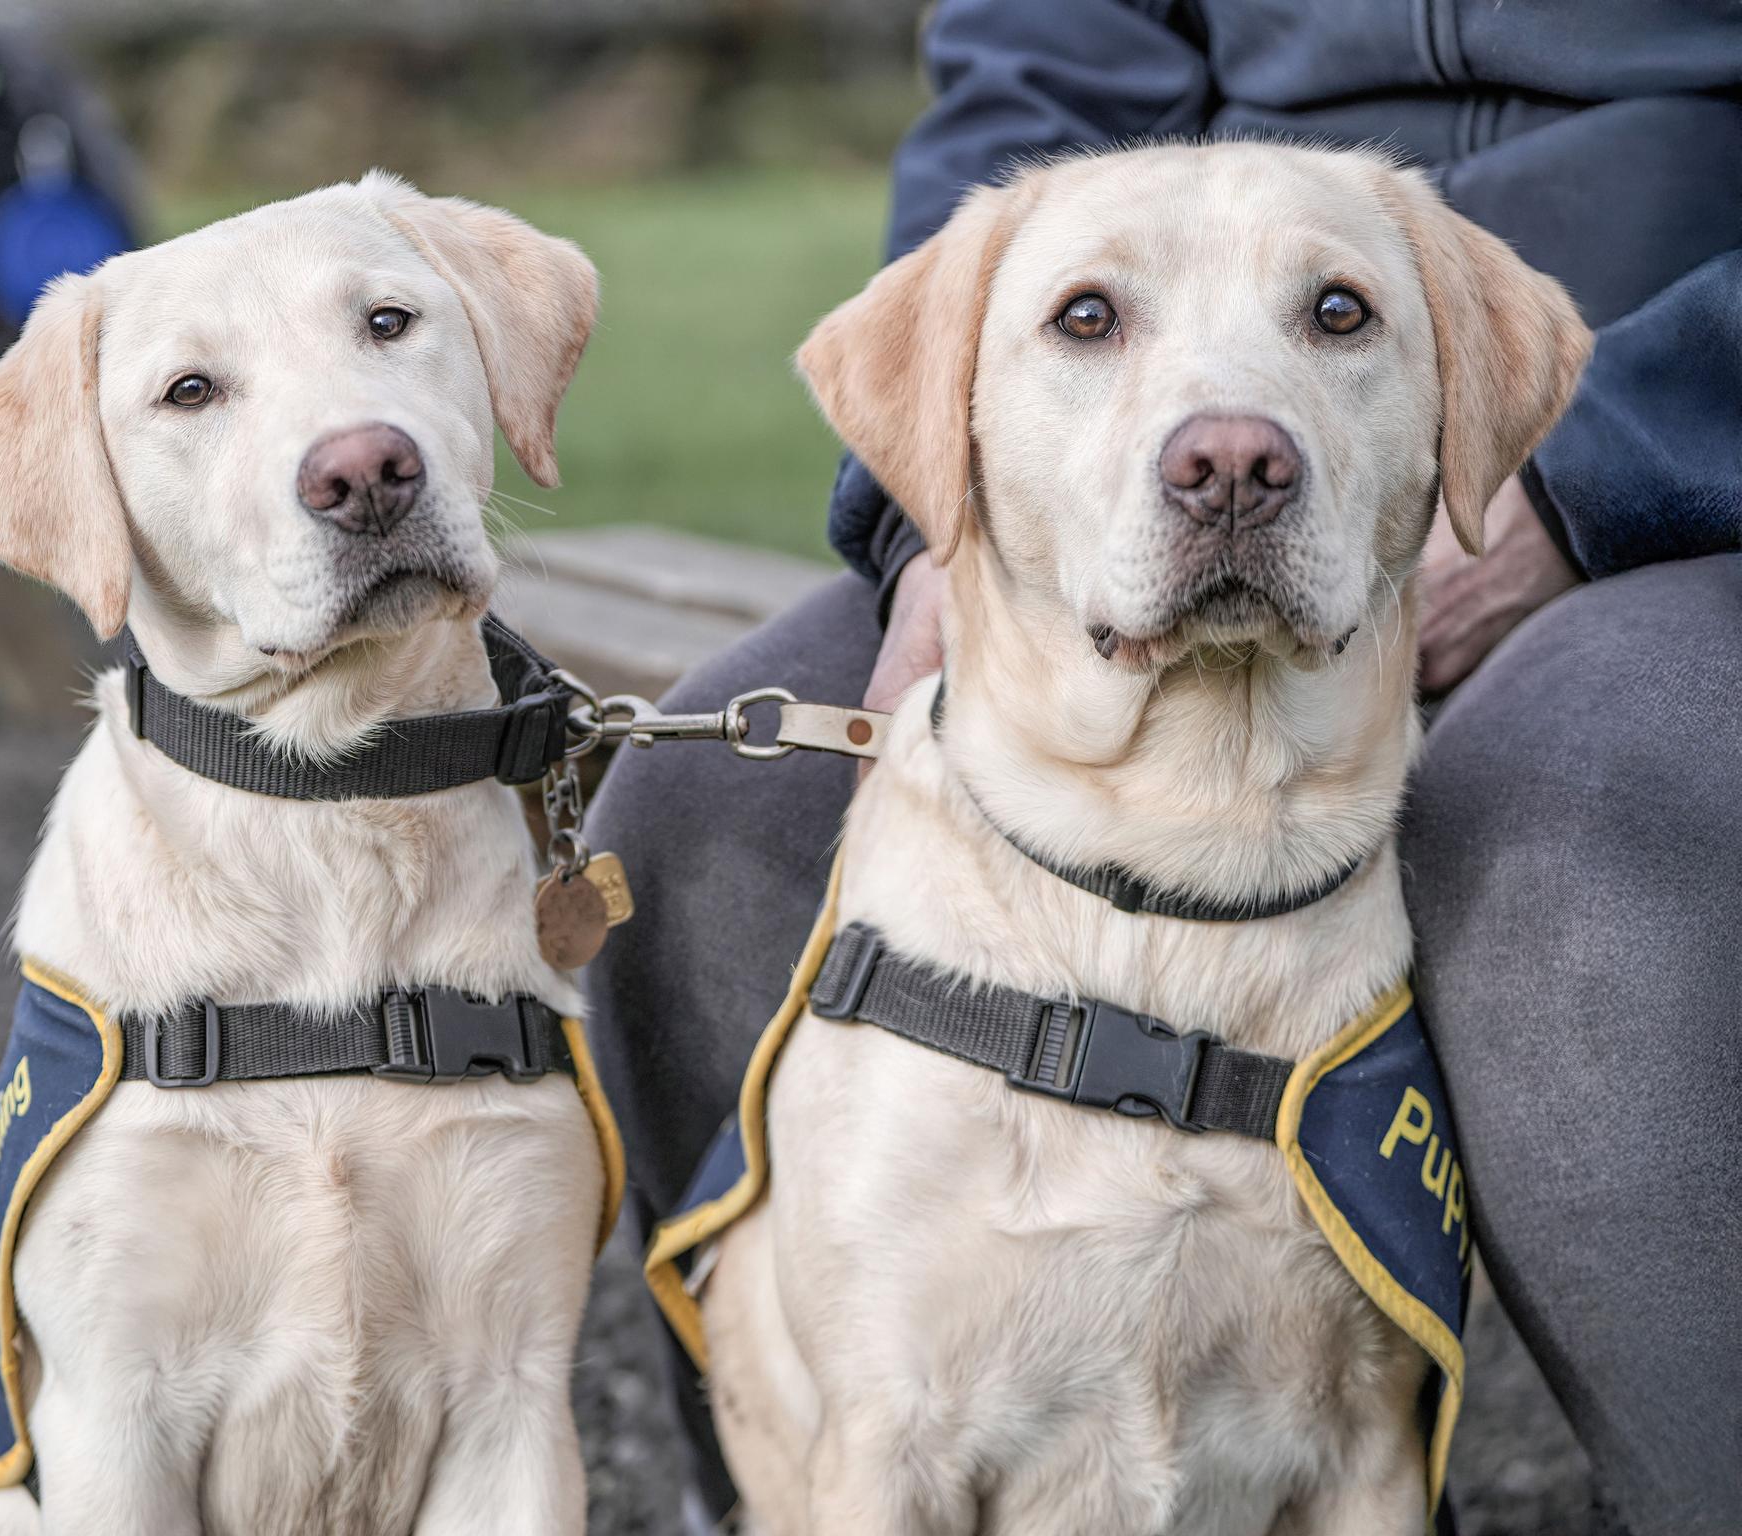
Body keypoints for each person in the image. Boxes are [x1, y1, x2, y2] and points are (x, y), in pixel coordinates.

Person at [582, 3, 1742, 1531]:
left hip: (1687, 462)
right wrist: (940, 502)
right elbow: (1038, 81)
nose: (1230, 454)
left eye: (1335, 313)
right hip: (1142, 469)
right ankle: (757, 1493)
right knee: (703, 814)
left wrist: (1608, 469)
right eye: (1083, 323)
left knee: (1584, 849)